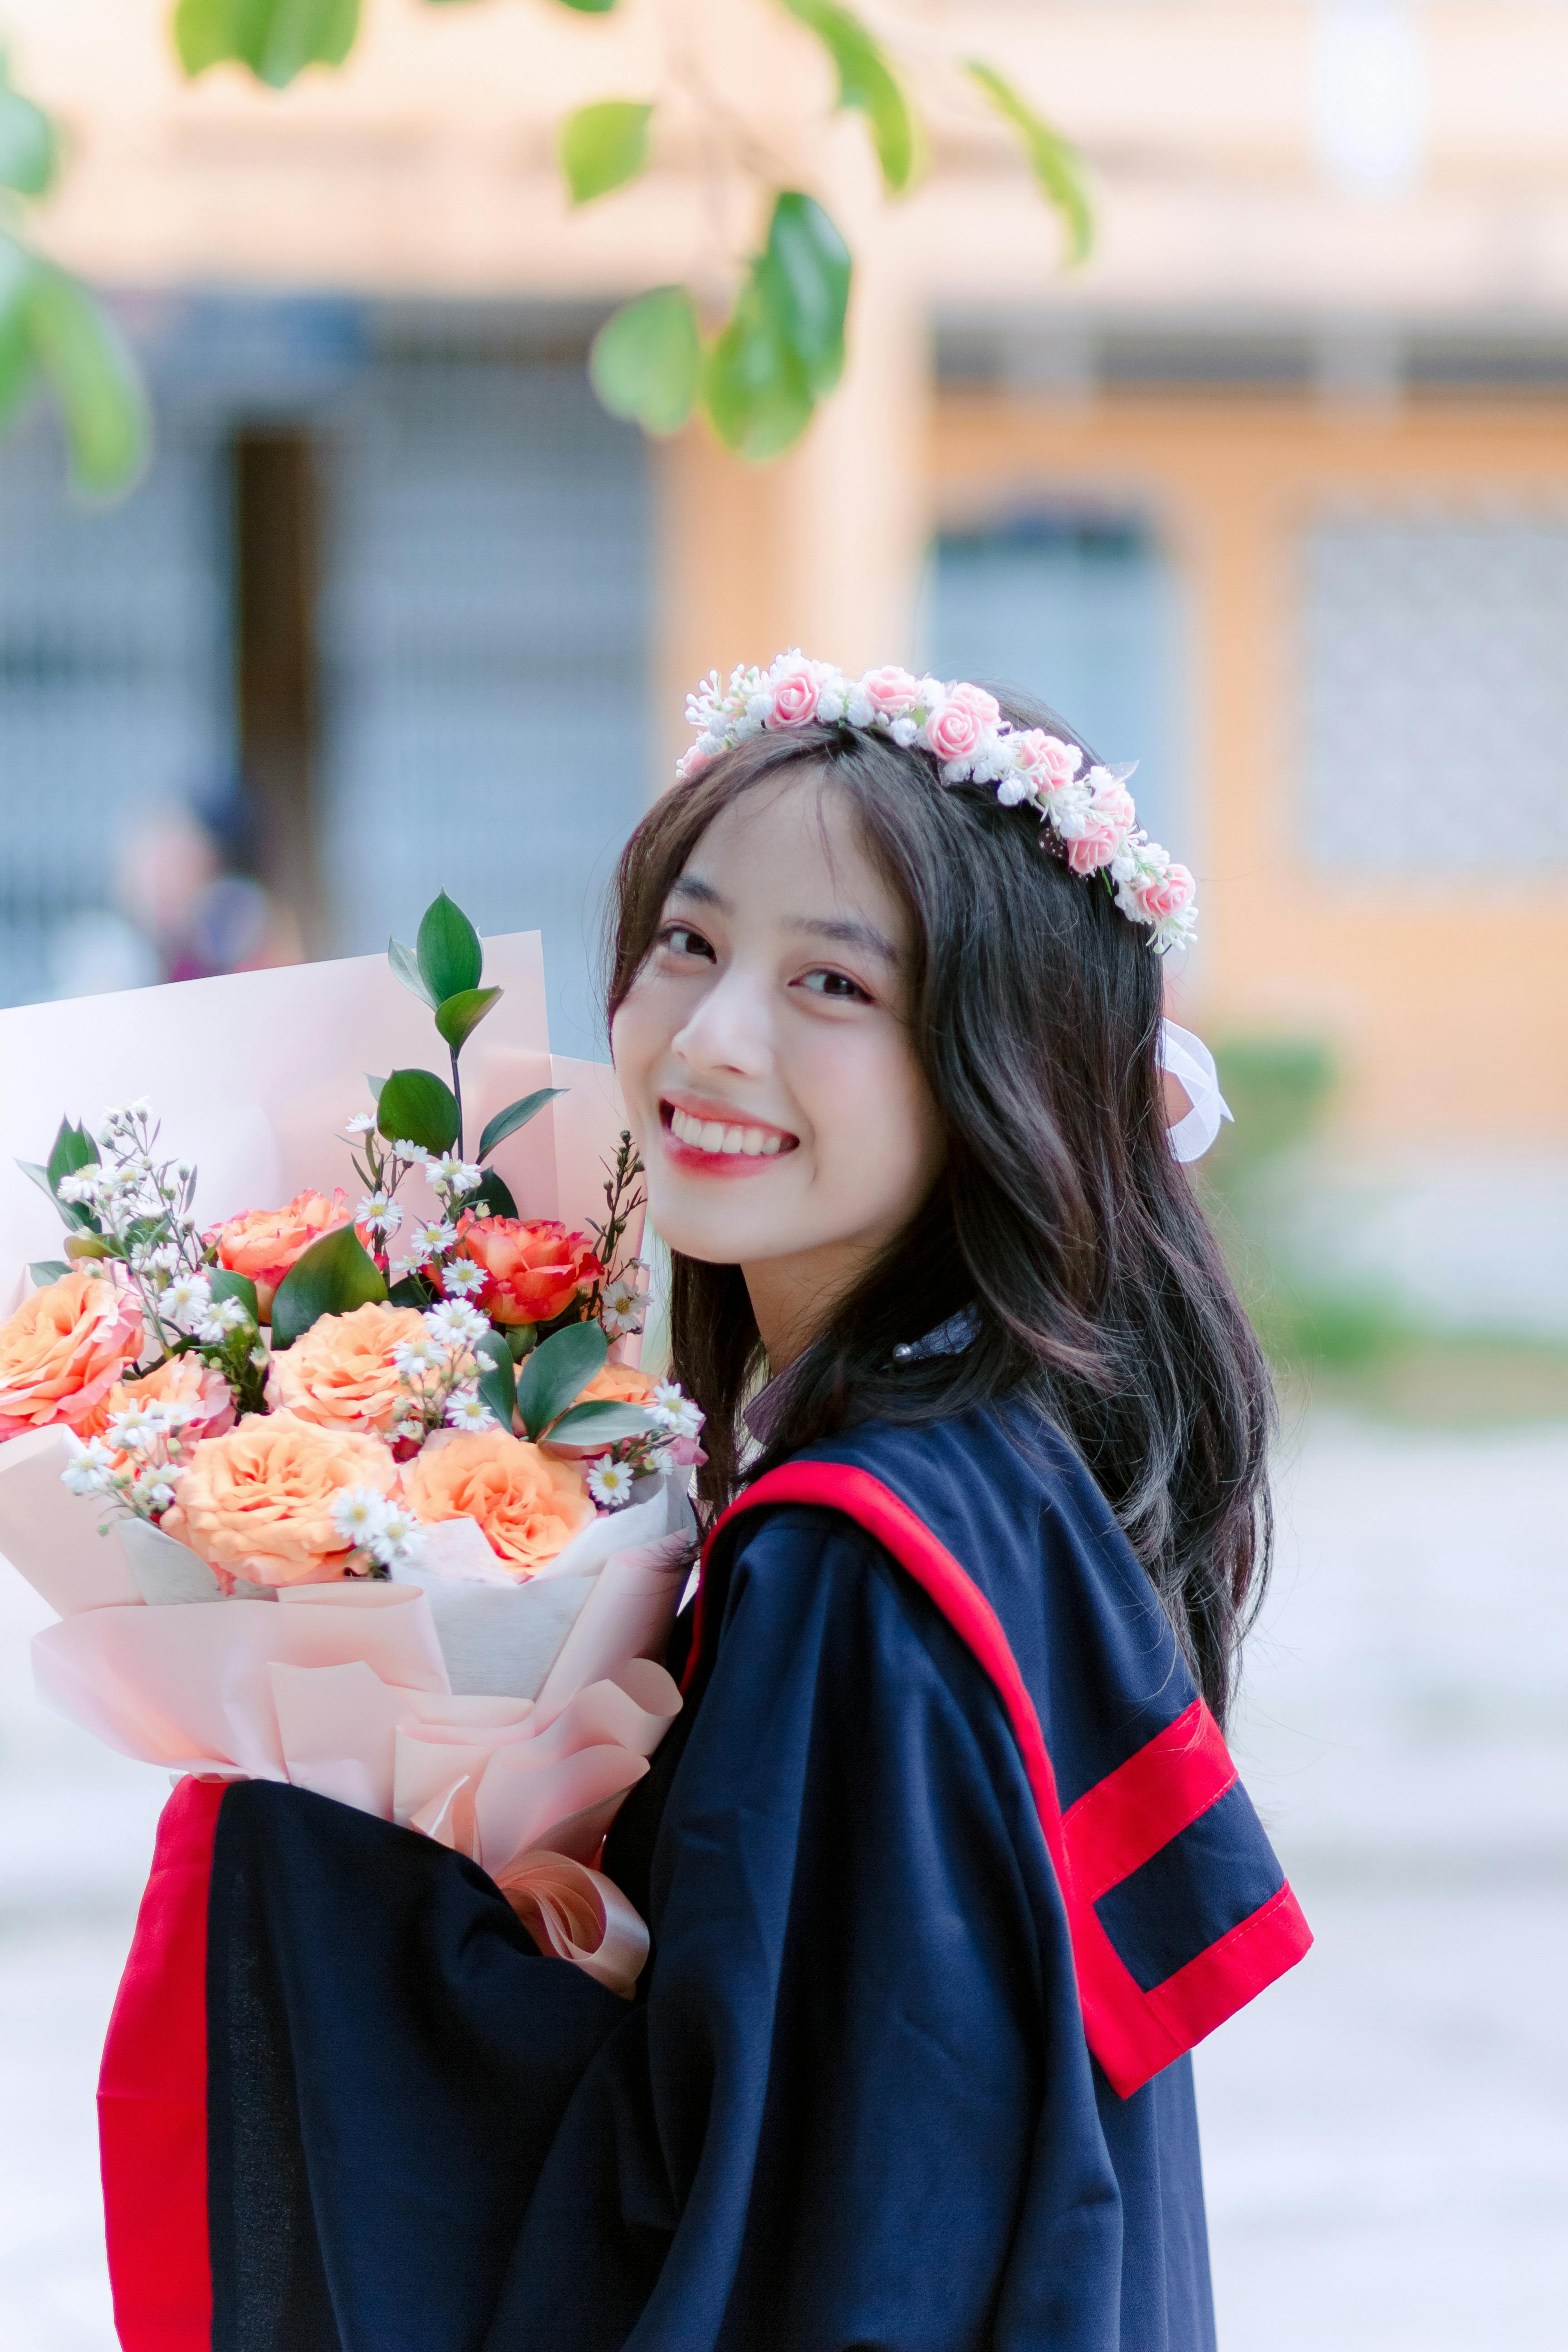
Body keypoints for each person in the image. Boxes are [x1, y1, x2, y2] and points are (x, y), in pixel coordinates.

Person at [101, 657, 1307, 2352]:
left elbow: (802, 2226)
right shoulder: (994, 1467)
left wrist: (323, 1879)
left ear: (1003, 1059)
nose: (712, 1036)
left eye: (833, 981)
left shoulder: (856, 1567)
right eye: (689, 941)